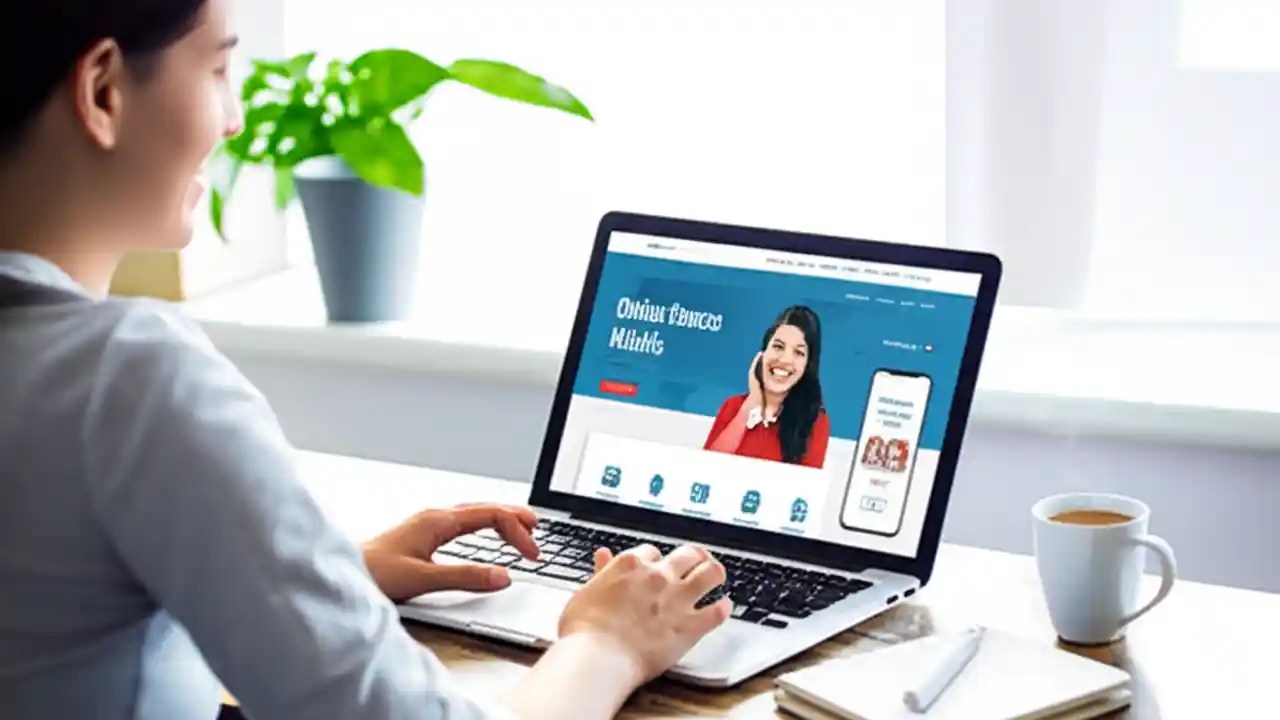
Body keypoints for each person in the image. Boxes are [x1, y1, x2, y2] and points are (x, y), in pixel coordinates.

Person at [0, 2, 731, 719]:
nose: (233, 119)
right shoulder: (129, 378)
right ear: (103, 91)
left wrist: (320, 582)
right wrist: (609, 644)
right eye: (217, 68)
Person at [704, 306, 831, 468]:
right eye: (778, 346)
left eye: (798, 353)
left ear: (808, 365)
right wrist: (750, 405)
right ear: (762, 353)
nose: (785, 360)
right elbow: (706, 470)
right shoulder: (732, 406)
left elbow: (804, 489)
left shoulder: (815, 421)